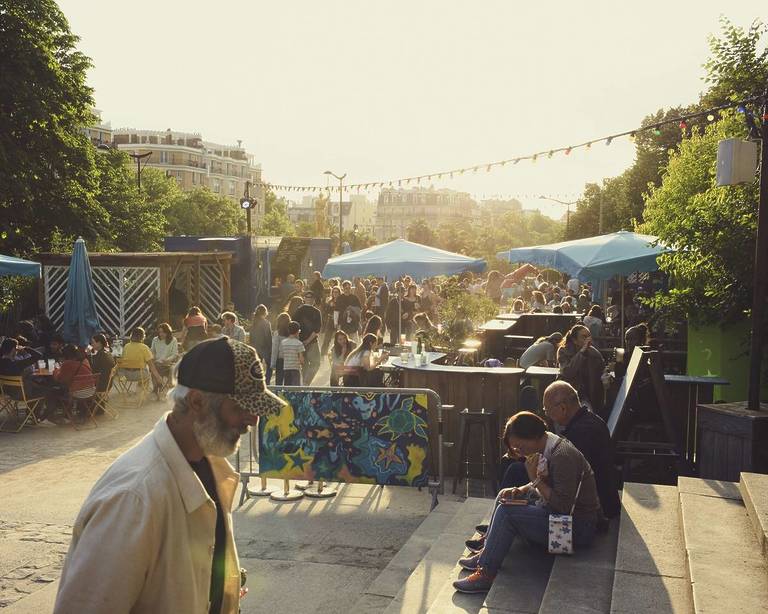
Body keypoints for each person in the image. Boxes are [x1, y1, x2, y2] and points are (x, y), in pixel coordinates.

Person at [54, 337, 285, 614]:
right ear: (197, 402)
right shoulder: (134, 498)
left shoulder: (207, 462)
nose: (253, 419)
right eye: (240, 408)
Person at [452, 412, 600, 594]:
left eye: (520, 446)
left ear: (534, 437)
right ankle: (486, 553)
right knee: (506, 496)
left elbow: (562, 506)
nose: (519, 452)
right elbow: (552, 490)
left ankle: (486, 573)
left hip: (574, 531)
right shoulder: (551, 445)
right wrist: (523, 489)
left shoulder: (562, 456)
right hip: (564, 521)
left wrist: (534, 480)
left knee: (507, 512)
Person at [543, 381, 621, 519]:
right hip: (607, 499)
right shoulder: (592, 420)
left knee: (518, 471)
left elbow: (567, 475)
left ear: (563, 408)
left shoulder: (580, 433)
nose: (547, 415)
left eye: (547, 410)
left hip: (595, 508)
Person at [557, 324, 605, 416]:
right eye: (584, 337)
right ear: (575, 340)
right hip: (566, 394)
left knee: (587, 416)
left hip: (586, 396)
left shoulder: (594, 353)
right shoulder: (564, 351)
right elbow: (568, 372)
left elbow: (602, 370)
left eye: (589, 336)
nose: (588, 339)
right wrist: (581, 352)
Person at [293, 292, 323, 385]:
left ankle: (306, 383)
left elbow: (316, 329)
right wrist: (305, 341)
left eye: (311, 297)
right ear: (304, 298)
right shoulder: (302, 311)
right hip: (307, 341)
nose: (310, 299)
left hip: (306, 341)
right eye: (308, 297)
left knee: (310, 364)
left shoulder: (301, 310)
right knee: (312, 363)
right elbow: (317, 329)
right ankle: (306, 383)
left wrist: (304, 341)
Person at [151, 323, 180, 393]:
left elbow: (175, 354)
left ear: (168, 332)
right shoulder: (155, 340)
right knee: (154, 367)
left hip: (168, 364)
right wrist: (153, 358)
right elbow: (152, 351)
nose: (161, 334)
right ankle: (157, 387)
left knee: (172, 369)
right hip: (157, 363)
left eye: (163, 332)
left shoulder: (173, 340)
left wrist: (167, 360)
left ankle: (164, 388)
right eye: (160, 332)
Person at [249, 305, 272, 383]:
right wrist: (271, 348)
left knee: (256, 367)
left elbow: (251, 337)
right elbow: (268, 336)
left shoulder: (253, 322)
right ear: (265, 312)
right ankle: (267, 382)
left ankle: (257, 382)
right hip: (264, 348)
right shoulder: (266, 323)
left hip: (255, 348)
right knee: (270, 366)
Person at [280, 321, 305, 386]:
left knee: (287, 388)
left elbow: (282, 355)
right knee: (296, 389)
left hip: (286, 368)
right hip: (295, 369)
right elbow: (301, 359)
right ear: (297, 331)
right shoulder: (299, 343)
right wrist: (302, 363)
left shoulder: (283, 342)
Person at [270, 312, 291, 386]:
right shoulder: (291, 334)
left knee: (279, 381)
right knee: (288, 382)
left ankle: (278, 395)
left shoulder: (277, 333)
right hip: (290, 360)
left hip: (280, 360)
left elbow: (275, 349)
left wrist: (273, 363)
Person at [320, 286, 342, 356]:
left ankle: (338, 354)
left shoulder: (341, 301)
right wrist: (329, 306)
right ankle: (323, 355)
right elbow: (325, 312)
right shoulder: (330, 301)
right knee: (327, 339)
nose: (335, 294)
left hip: (339, 322)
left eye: (336, 292)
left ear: (339, 293)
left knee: (339, 339)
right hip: (330, 321)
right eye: (333, 292)